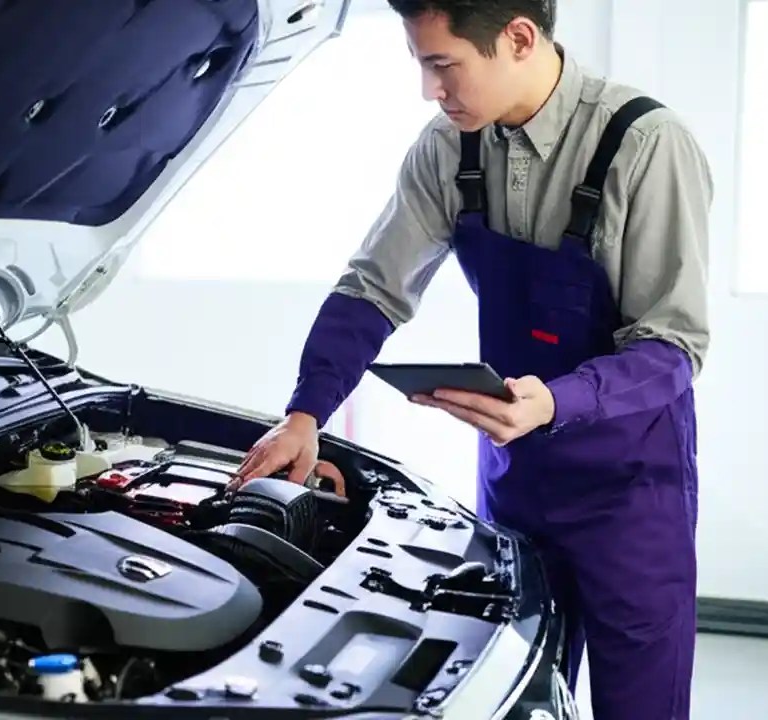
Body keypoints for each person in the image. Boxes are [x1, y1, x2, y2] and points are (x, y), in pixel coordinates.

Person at [233, 1, 711, 718]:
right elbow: (372, 290)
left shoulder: (645, 145)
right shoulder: (447, 148)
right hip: (516, 478)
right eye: (421, 64)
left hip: (629, 491)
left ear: (518, 38)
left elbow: (673, 347)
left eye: (443, 65)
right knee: (508, 694)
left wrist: (556, 402)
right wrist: (306, 415)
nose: (430, 90)